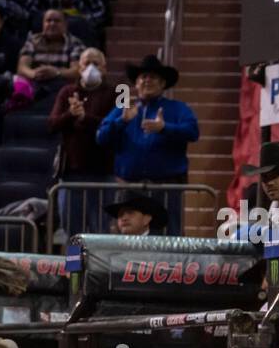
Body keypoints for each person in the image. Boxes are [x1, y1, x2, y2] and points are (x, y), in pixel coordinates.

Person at [96, 55, 199, 234]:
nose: (147, 80)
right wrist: (121, 121)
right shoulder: (124, 109)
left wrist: (165, 128)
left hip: (166, 188)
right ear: (136, 83)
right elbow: (101, 137)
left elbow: (192, 132)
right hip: (129, 188)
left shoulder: (178, 108)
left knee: (170, 236)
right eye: (143, 77)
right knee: (127, 239)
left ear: (163, 84)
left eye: (153, 77)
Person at [49, 47, 117, 234]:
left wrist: (84, 118)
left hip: (103, 173)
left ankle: (98, 264)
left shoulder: (115, 93)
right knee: (71, 229)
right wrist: (71, 114)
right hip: (72, 173)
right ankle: (73, 264)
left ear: (104, 68)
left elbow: (116, 127)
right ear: (79, 68)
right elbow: (52, 124)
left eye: (96, 63)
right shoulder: (67, 92)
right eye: (87, 63)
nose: (91, 68)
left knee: (100, 229)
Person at [104, 192, 169, 235]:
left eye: (130, 213)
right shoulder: (113, 246)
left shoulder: (159, 244)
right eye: (120, 214)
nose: (124, 218)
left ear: (147, 218)